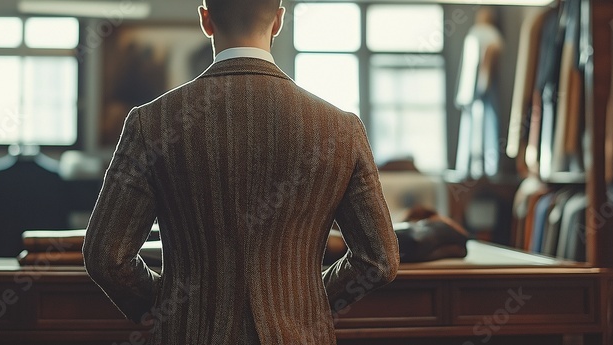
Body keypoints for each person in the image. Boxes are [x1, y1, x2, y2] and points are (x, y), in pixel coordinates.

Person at [82, 0, 401, 343]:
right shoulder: (340, 129)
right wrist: (303, 303)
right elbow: (378, 258)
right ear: (278, 21)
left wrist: (166, 307)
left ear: (206, 19)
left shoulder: (152, 122)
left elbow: (106, 255)